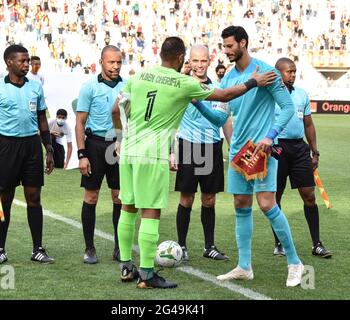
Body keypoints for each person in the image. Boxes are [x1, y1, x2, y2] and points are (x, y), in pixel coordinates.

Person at [111, 36, 276, 289]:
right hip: (152, 154)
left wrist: (121, 137)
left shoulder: (138, 76)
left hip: (128, 150)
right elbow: (224, 95)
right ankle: (147, 274)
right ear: (180, 58)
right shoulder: (183, 82)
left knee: (127, 207)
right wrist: (255, 81)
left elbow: (115, 109)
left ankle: (125, 266)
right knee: (151, 211)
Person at [215, 26, 303, 287]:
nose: (226, 51)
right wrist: (197, 102)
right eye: (224, 46)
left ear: (243, 43)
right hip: (238, 153)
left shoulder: (266, 71)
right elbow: (221, 117)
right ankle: (244, 266)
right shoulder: (228, 79)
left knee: (266, 204)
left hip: (262, 150)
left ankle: (295, 262)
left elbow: (288, 107)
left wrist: (270, 135)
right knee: (241, 205)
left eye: (230, 46)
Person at [0, 44, 54, 264]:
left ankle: (38, 249)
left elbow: (42, 119)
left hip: (32, 146)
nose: (27, 65)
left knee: (34, 197)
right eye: (22, 61)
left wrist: (49, 149)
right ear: (9, 62)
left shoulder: (35, 87)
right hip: (6, 147)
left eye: (28, 61)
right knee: (4, 199)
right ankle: (0, 249)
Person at [170, 45, 230, 262]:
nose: (199, 65)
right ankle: (182, 246)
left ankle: (209, 246)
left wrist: (231, 146)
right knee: (186, 198)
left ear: (209, 61)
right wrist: (170, 151)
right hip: (189, 145)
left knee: (209, 199)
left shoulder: (218, 89)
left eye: (203, 61)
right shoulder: (181, 87)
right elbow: (170, 119)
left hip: (212, 146)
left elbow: (222, 120)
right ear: (189, 62)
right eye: (195, 61)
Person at [271, 57, 332, 258]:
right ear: (278, 72)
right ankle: (279, 243)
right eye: (289, 71)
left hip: (299, 148)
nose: (293, 74)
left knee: (309, 196)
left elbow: (308, 124)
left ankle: (317, 244)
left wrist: (314, 151)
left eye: (295, 71)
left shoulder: (302, 94)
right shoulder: (269, 95)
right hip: (277, 148)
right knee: (275, 197)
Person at [75, 45, 125, 264]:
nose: (115, 66)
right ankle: (89, 248)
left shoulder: (128, 86)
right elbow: (79, 122)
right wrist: (81, 154)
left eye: (118, 62)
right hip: (95, 146)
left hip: (119, 146)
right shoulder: (89, 87)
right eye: (111, 62)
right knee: (91, 196)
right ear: (102, 62)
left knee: (120, 197)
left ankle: (119, 247)